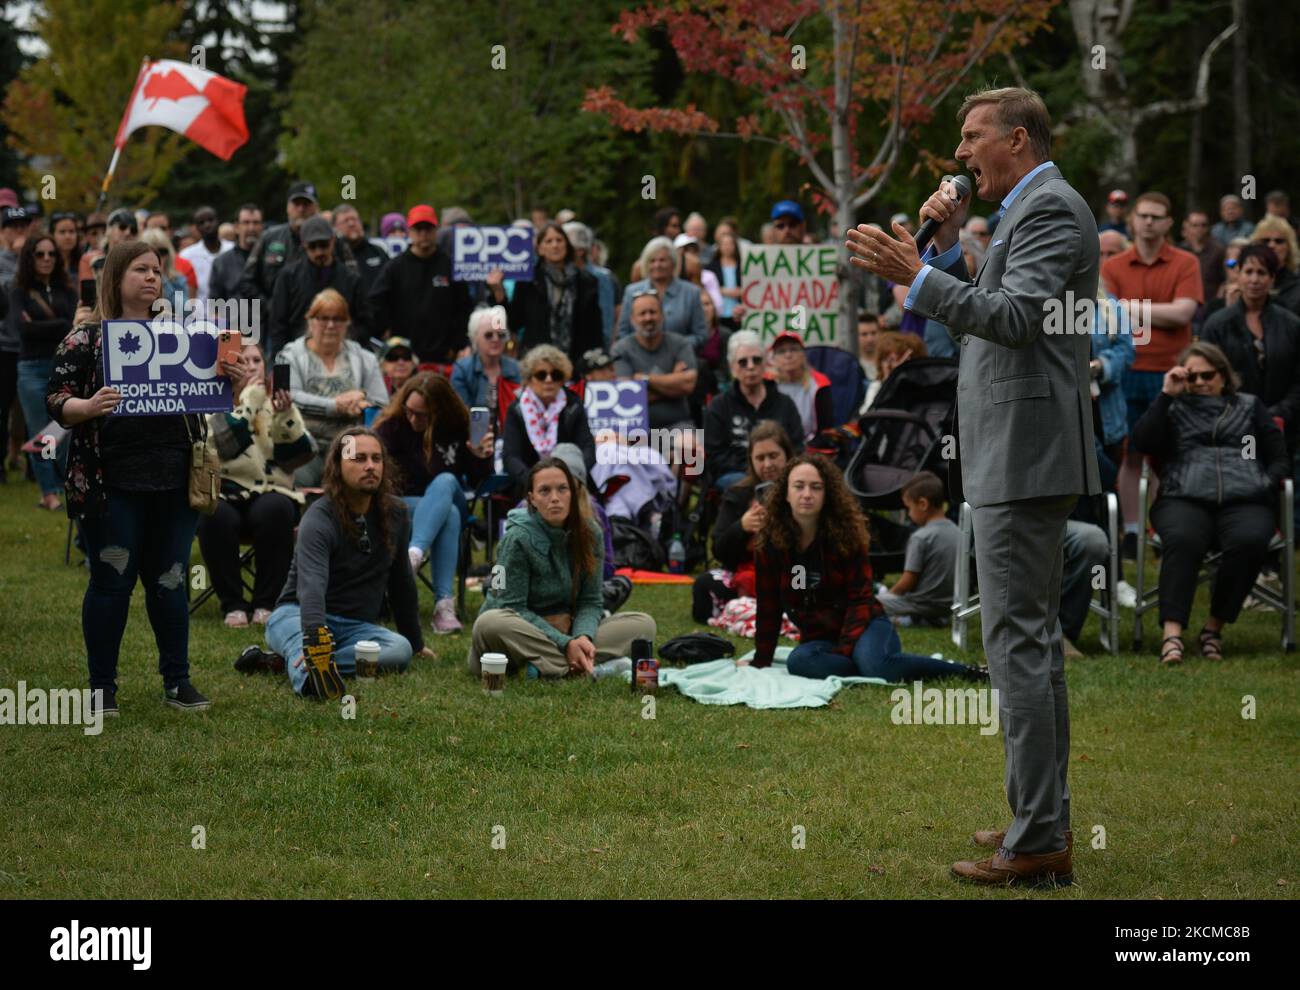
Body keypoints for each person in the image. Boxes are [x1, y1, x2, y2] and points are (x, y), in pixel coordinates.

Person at [847, 86, 1101, 886]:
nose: (959, 155)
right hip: (1010, 451)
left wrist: (916, 276)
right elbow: (983, 316)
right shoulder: (1032, 211)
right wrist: (950, 250)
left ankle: (1036, 843)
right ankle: (1041, 820)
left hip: (1025, 454)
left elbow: (1019, 320)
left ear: (1017, 139)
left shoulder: (1053, 209)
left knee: (1017, 650)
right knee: (1028, 650)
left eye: (971, 137)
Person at [45, 241, 213, 714]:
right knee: (112, 581)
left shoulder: (181, 337)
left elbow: (209, 398)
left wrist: (230, 378)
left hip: (174, 480)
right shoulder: (86, 338)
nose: (151, 279)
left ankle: (177, 681)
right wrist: (87, 406)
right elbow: (55, 400)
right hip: (109, 483)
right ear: (116, 278)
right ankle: (102, 688)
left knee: (170, 580)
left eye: (157, 271)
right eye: (140, 270)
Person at [747, 454, 983, 681]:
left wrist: (844, 650)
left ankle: (965, 671)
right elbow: (769, 605)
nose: (807, 494)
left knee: (876, 665)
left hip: (866, 625)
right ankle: (875, 665)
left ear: (827, 493)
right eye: (799, 486)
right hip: (821, 638)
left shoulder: (847, 537)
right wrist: (762, 658)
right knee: (798, 661)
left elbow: (860, 599)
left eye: (816, 487)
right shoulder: (770, 545)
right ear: (785, 494)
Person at [1131, 342, 1287, 664]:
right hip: (1184, 496)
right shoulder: (1173, 408)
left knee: (1250, 540)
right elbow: (1141, 442)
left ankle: (1213, 629)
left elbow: (1278, 455)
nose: (1200, 382)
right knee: (1183, 539)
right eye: (1192, 376)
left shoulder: (1248, 406)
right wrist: (1166, 395)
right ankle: (1171, 635)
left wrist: (1264, 483)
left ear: (1223, 375)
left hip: (1244, 498)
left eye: (1208, 375)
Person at [253, 428, 435, 693]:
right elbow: (311, 585)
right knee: (299, 640)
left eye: (376, 458)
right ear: (338, 466)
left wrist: (416, 644)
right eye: (359, 458)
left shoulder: (396, 514)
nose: (370, 466)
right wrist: (315, 638)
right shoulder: (318, 518)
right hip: (297, 614)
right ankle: (311, 680)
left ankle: (294, 663)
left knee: (399, 649)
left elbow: (401, 582)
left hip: (356, 628)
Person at [469, 457, 656, 680]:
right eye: (545, 491)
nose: (555, 498)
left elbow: (591, 601)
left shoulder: (591, 533)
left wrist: (582, 636)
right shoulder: (516, 539)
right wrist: (564, 641)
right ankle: (588, 667)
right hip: (518, 634)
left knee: (643, 625)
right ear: (532, 499)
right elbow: (509, 606)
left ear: (573, 494)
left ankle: (551, 666)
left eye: (562, 489)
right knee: (489, 623)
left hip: (566, 632)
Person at [1102, 191, 1203, 557]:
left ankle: (1164, 530)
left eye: (1156, 217)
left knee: (1168, 455)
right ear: (1132, 220)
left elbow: (1183, 314)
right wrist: (1148, 311)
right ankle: (1131, 532)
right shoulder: (1112, 266)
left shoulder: (1186, 262)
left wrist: (1128, 307)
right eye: (1142, 216)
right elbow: (1107, 317)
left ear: (1168, 222)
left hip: (1171, 371)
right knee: (1129, 453)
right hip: (1125, 371)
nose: (1148, 222)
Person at [199, 342, 314, 628]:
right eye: (243, 360)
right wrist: (249, 401)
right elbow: (222, 445)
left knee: (275, 508)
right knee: (215, 514)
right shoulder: (209, 401)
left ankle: (266, 602)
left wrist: (285, 415)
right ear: (225, 366)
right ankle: (233, 605)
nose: (251, 366)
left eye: (256, 361)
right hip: (224, 491)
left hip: (271, 490)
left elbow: (296, 456)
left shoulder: (275, 401)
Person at [374, 373, 493, 634]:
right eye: (410, 411)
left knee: (446, 481)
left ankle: (414, 554)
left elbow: (480, 481)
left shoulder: (459, 427)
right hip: (404, 508)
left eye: (422, 414)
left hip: (453, 497)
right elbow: (378, 480)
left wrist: (479, 456)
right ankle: (443, 606)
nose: (413, 418)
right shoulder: (392, 427)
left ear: (439, 411)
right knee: (447, 514)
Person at [275, 288, 388, 487]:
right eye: (323, 318)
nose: (330, 325)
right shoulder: (288, 355)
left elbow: (381, 403)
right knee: (296, 481)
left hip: (352, 445)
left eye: (338, 319)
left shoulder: (365, 358)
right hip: (305, 444)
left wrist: (361, 398)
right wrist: (334, 405)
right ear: (310, 321)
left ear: (347, 323)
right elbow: (287, 395)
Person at [1199, 244, 1300, 451]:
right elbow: (1206, 375)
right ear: (1238, 274)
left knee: (1277, 478)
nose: (1254, 280)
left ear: (1272, 278)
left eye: (1261, 273)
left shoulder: (1291, 324)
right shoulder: (1218, 324)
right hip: (1230, 426)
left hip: (1285, 426)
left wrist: (1278, 413)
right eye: (1248, 272)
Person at [692, 421, 794, 621]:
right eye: (760, 458)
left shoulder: (802, 489)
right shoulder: (738, 493)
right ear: (751, 460)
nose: (767, 465)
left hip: (791, 573)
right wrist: (741, 527)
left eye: (774, 456)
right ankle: (760, 608)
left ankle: (753, 609)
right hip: (746, 573)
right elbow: (719, 551)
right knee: (705, 584)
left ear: (787, 456)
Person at [11, 233, 76, 509]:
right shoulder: (19, 291)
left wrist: (49, 325)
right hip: (32, 368)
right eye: (40, 254)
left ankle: (62, 482)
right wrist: (61, 324)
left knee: (64, 428)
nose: (47, 259)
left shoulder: (66, 289)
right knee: (41, 431)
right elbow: (22, 329)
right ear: (30, 258)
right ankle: (48, 492)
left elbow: (75, 326)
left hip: (62, 366)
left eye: (51, 253)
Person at [486, 221, 602, 371]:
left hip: (576, 363)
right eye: (549, 241)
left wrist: (595, 360)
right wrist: (498, 292)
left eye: (559, 240)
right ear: (540, 249)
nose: (555, 245)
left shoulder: (586, 282)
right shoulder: (528, 281)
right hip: (536, 363)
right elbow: (512, 323)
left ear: (567, 245)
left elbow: (595, 327)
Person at [368, 204, 474, 364]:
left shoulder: (450, 265)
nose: (423, 234)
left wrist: (457, 344)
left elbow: (464, 307)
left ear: (436, 231)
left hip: (444, 357)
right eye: (418, 229)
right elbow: (375, 302)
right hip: (405, 357)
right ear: (409, 232)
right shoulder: (394, 267)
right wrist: (384, 330)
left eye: (428, 229)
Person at [703, 329, 804, 489]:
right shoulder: (718, 407)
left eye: (756, 360)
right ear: (732, 367)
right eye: (743, 362)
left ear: (765, 363)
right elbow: (716, 457)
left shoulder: (785, 403)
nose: (750, 366)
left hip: (782, 474)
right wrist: (756, 471)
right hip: (736, 475)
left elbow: (797, 447)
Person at [268, 214, 369, 357]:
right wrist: (280, 362)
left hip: (341, 353)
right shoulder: (288, 277)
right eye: (313, 246)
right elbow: (278, 324)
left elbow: (363, 322)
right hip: (298, 355)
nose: (319, 251)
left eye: (323, 245)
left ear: (333, 241)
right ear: (304, 244)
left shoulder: (351, 279)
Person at [501, 344, 594, 495]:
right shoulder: (516, 409)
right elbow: (510, 456)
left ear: (562, 379)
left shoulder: (573, 405)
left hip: (572, 481)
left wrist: (572, 477)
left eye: (556, 375)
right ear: (529, 379)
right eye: (541, 375)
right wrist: (533, 481)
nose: (549, 380)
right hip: (527, 484)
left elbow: (588, 448)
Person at [877, 471, 959, 627]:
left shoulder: (921, 537)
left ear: (923, 504)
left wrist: (889, 596)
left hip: (920, 606)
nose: (909, 514)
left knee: (870, 604)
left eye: (909, 508)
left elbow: (908, 581)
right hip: (946, 608)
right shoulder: (957, 532)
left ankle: (905, 618)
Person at [611, 289, 698, 430]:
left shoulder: (680, 343)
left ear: (662, 316)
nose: (648, 318)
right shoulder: (620, 349)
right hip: (634, 429)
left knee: (691, 450)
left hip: (678, 425)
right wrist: (673, 382)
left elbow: (688, 386)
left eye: (653, 312)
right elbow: (627, 398)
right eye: (642, 313)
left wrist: (644, 380)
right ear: (632, 319)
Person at [239, 181, 325, 308]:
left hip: (319, 319)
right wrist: (269, 306)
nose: (301, 209)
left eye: (306, 204)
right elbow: (246, 282)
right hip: (274, 320)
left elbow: (349, 280)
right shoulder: (268, 238)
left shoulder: (330, 241)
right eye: (296, 204)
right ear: (288, 207)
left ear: (316, 208)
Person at [617, 237, 706, 346]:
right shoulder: (632, 292)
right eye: (652, 261)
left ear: (673, 263)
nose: (657, 265)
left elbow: (701, 335)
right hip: (639, 360)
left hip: (681, 360)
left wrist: (676, 347)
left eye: (662, 260)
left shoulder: (691, 292)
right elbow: (623, 332)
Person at [451, 305, 521, 420]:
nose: (495, 339)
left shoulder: (516, 368)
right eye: (488, 335)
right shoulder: (462, 370)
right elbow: (461, 414)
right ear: (475, 337)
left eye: (501, 335)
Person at [562, 220, 620, 347]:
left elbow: (606, 319)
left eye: (564, 244)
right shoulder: (560, 276)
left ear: (580, 251)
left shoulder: (601, 278)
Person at [769, 331, 832, 442]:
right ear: (773, 358)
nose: (788, 355)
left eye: (793, 349)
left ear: (803, 354)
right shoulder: (767, 385)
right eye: (781, 351)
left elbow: (824, 429)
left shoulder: (818, 385)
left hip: (809, 446)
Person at [332, 203, 389, 299]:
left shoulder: (377, 252)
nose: (351, 224)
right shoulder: (332, 256)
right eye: (345, 221)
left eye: (354, 219)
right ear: (334, 227)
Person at [208, 203, 262, 303]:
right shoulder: (222, 263)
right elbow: (215, 306)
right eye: (246, 223)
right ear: (237, 227)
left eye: (256, 223)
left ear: (261, 226)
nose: (251, 228)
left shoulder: (270, 260)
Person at [1249, 216, 1300, 316]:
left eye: (1279, 241)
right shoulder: (1246, 284)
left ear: (1289, 248)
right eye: (1265, 241)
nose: (1272, 245)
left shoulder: (1297, 287)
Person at [178, 205, 229, 304]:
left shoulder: (232, 250)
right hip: (200, 316)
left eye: (210, 220)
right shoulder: (186, 256)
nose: (207, 225)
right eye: (201, 222)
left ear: (218, 221)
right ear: (196, 228)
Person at [1177, 208, 1225, 305]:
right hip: (1184, 303)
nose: (1200, 229)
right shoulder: (1179, 251)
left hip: (1210, 304)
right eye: (1195, 225)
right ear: (1187, 227)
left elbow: (1226, 277)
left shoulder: (1219, 250)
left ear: (1208, 228)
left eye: (1203, 225)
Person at [139, 228, 188, 314]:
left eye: (162, 252)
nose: (158, 256)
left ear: (169, 254)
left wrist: (163, 279)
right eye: (152, 252)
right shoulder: (134, 278)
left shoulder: (178, 280)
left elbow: (185, 311)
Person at [705, 224, 744, 328]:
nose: (727, 247)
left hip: (738, 312)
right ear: (719, 246)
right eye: (724, 244)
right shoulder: (711, 267)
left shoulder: (742, 265)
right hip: (719, 312)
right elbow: (707, 287)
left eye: (730, 244)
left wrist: (741, 292)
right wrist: (727, 291)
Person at [49, 211, 82, 289]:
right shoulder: (46, 260)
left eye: (71, 231)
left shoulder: (83, 260)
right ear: (52, 235)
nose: (68, 236)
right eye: (62, 232)